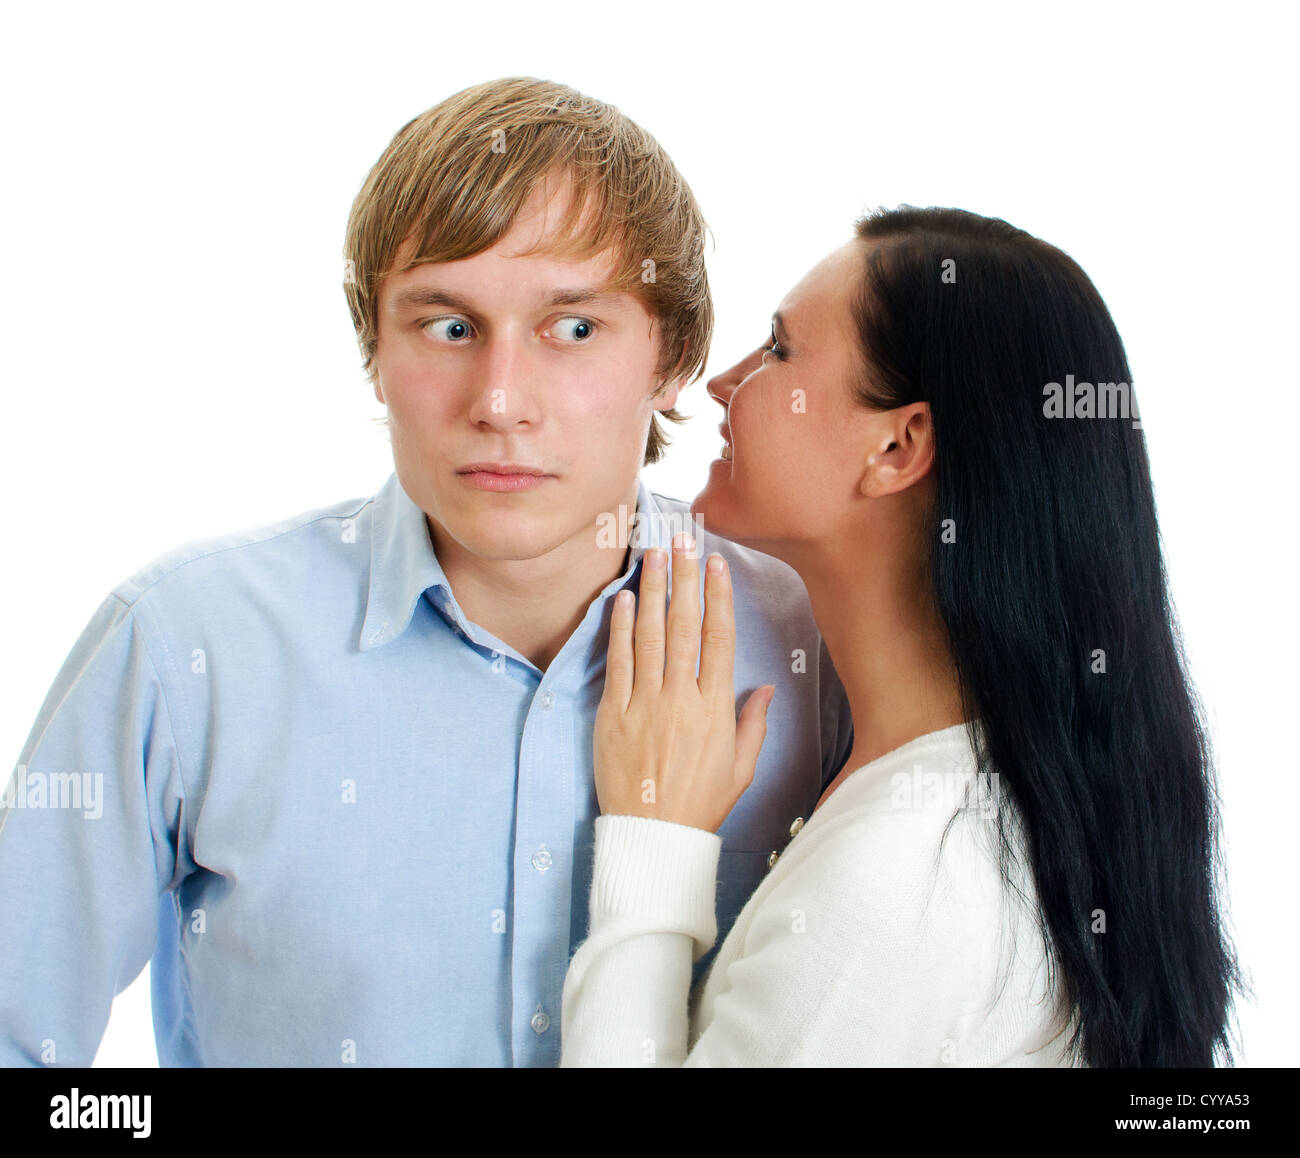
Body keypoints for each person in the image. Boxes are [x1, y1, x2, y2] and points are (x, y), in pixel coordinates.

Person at [0, 77, 853, 1067]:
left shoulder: (810, 642)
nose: (499, 400)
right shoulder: (185, 645)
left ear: (674, 356)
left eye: (571, 329)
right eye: (447, 327)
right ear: (375, 347)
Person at [560, 206, 1245, 1067]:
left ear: (898, 442)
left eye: (778, 351)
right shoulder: (961, 796)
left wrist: (652, 851)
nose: (723, 383)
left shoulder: (907, 875)